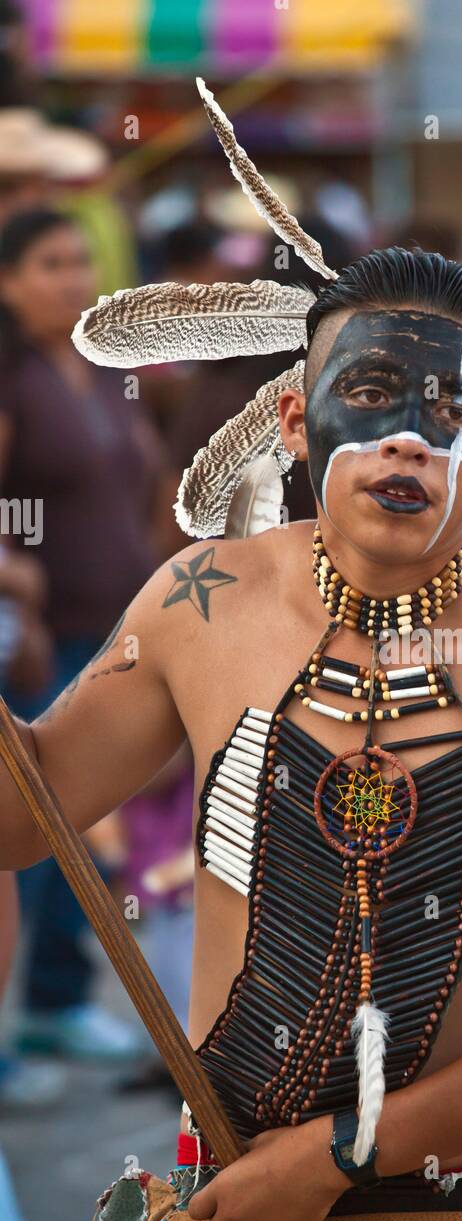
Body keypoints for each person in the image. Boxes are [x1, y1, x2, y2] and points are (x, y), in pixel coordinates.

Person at [0, 89, 462, 1221]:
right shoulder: (202, 601)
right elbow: (17, 825)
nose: (412, 440)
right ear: (297, 420)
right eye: (374, 397)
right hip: (230, 1211)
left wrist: (344, 1157)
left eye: (456, 415)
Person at [0, 208, 165, 1062]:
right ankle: (12, 1034)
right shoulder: (11, 375)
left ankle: (58, 1002)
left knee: (90, 824)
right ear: (7, 281)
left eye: (78, 260)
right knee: (26, 837)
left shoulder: (102, 367)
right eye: (48, 263)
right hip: (40, 639)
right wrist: (14, 570)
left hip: (112, 629)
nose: (70, 278)